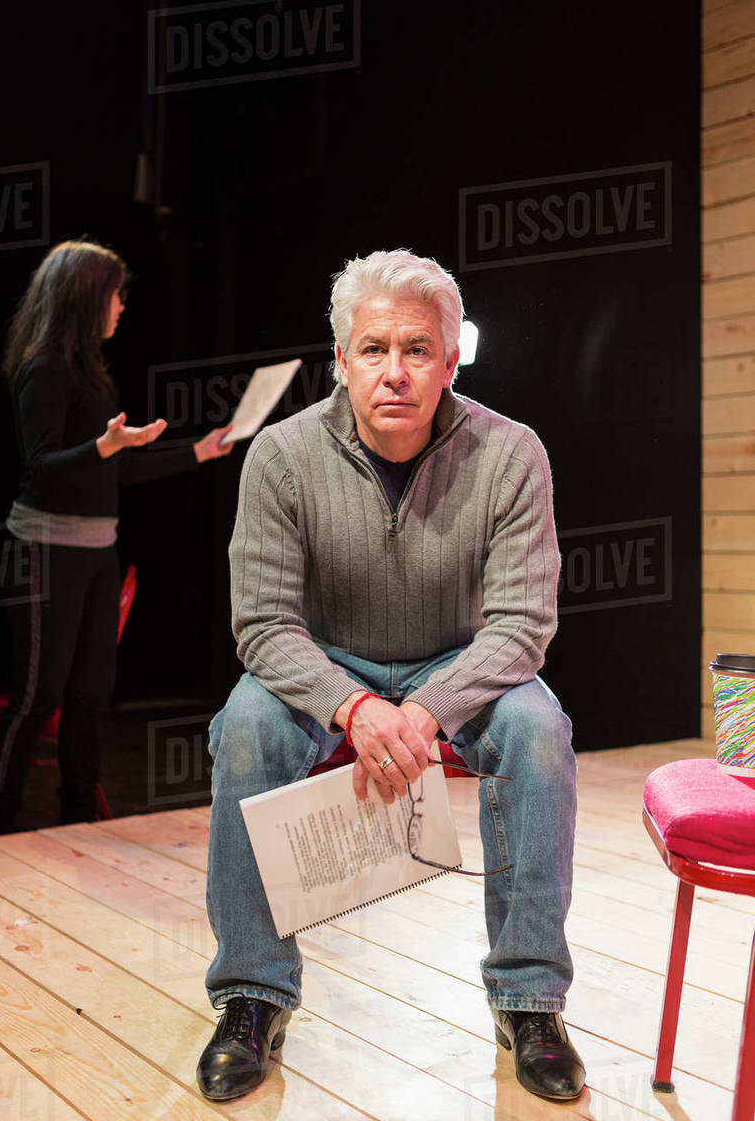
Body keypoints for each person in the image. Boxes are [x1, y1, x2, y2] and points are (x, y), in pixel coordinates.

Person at [197, 249, 586, 1103]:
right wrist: (354, 706)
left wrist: (428, 709)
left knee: (538, 729)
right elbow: (263, 624)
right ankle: (252, 994)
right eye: (374, 349)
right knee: (248, 725)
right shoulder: (282, 456)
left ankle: (529, 1000)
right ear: (341, 361)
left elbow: (522, 624)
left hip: (459, 660)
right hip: (330, 660)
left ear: (451, 362)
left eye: (417, 350)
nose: (396, 371)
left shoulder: (512, 453)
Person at [0, 238, 233, 835]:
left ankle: (77, 824)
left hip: (97, 552)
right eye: (116, 294)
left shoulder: (90, 374)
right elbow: (42, 466)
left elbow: (112, 468)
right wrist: (103, 446)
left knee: (92, 694)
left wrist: (198, 452)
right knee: (38, 696)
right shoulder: (44, 367)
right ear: (86, 295)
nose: (121, 305)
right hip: (46, 552)